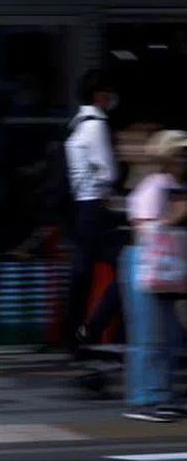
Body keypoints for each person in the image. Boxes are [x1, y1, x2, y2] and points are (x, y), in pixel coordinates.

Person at [119, 130, 187, 423]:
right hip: (146, 261)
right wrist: (176, 215)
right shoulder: (156, 184)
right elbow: (144, 228)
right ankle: (148, 398)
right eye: (180, 153)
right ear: (167, 156)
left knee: (165, 333)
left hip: (159, 264)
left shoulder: (172, 184)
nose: (184, 159)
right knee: (150, 334)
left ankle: (161, 394)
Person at [66, 69, 122, 352]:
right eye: (108, 91)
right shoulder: (95, 125)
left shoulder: (77, 123)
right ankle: (93, 330)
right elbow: (107, 172)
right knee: (127, 268)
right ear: (99, 94)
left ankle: (76, 334)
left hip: (82, 208)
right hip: (96, 208)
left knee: (82, 275)